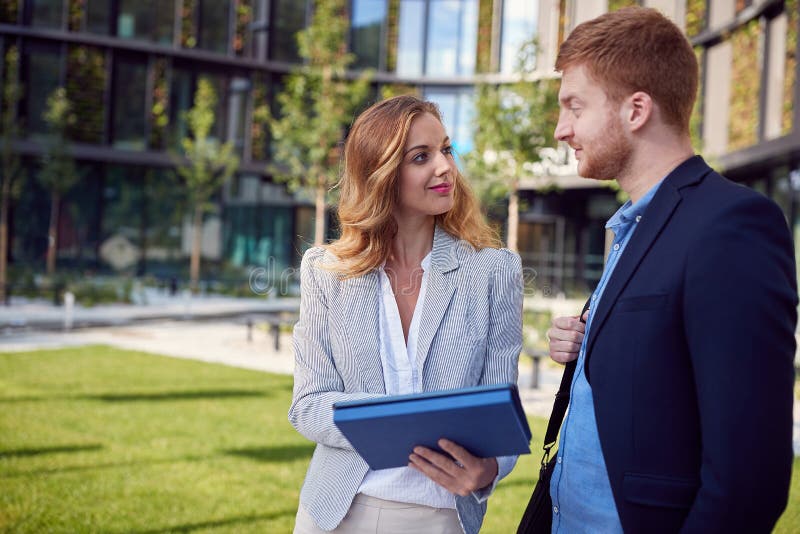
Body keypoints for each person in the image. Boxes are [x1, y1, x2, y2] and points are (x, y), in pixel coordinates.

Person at [536, 7, 797, 533]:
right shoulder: (632, 225)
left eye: (574, 106)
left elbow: (748, 480)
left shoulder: (732, 225)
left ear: (636, 110)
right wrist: (589, 345)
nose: (562, 129)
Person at [289, 95, 523, 534]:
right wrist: (396, 420)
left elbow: (500, 408)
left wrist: (490, 468)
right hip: (336, 514)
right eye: (422, 157)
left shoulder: (496, 271)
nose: (446, 168)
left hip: (441, 518)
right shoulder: (326, 271)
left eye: (447, 150)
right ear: (381, 174)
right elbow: (307, 404)